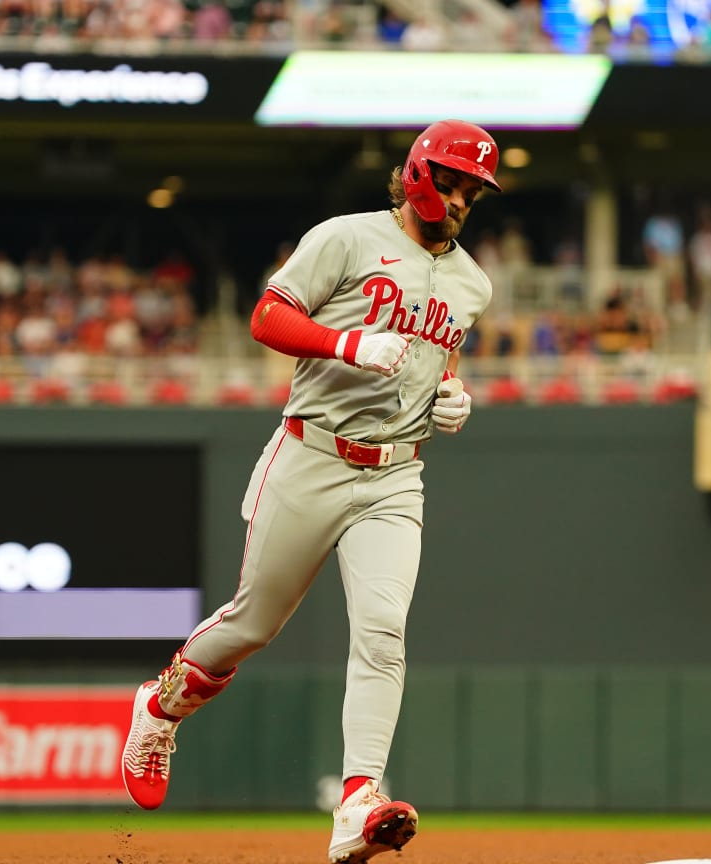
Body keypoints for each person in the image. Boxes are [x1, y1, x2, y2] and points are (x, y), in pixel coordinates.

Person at [120, 120, 498, 864]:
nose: (458, 199)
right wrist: (346, 342)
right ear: (418, 173)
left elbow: (433, 364)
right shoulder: (347, 237)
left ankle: (358, 801)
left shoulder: (472, 282)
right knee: (252, 625)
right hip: (312, 454)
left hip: (395, 473)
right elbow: (267, 315)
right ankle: (160, 706)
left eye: (470, 190)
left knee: (384, 629)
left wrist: (454, 394)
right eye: (449, 182)